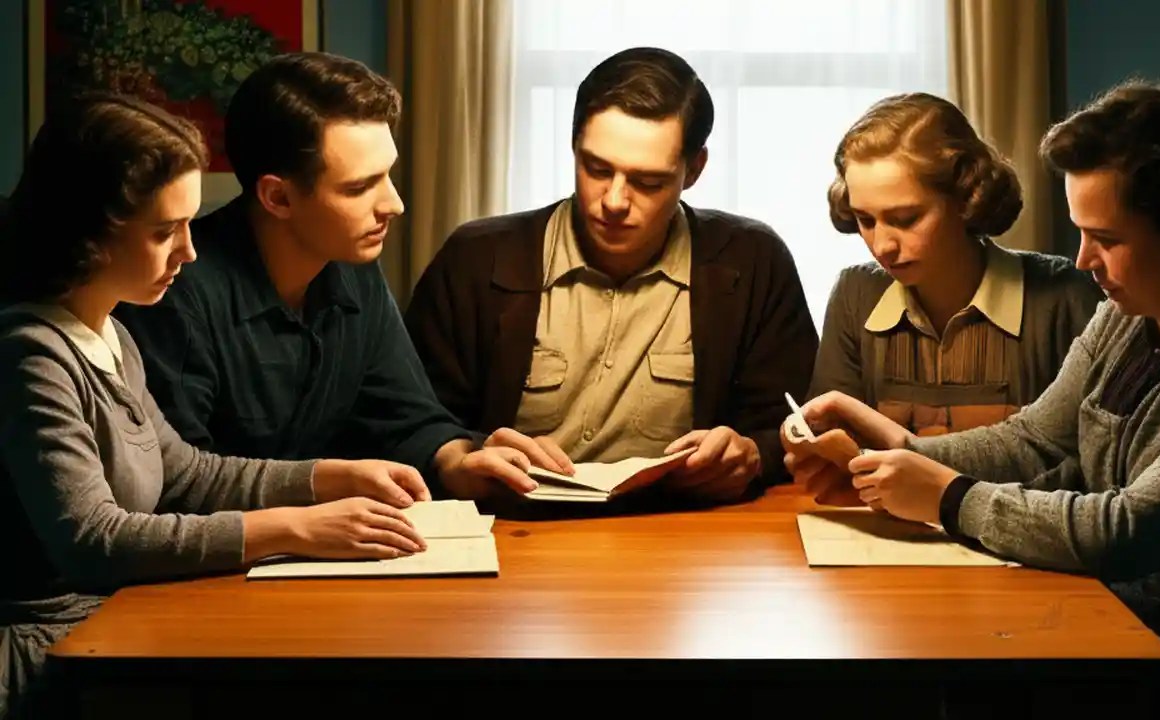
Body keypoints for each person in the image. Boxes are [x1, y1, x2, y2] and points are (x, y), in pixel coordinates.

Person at [794, 80, 1160, 718]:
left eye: (1106, 238)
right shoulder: (1128, 316)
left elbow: (1126, 532)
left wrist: (944, 496)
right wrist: (898, 452)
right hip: (1114, 644)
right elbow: (1033, 440)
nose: (1082, 261)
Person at [0, 94, 433, 719]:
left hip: (110, 628)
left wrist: (326, 478)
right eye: (163, 232)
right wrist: (293, 529)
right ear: (89, 236)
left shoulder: (110, 336)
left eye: (189, 224)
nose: (189, 251)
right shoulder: (30, 358)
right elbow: (92, 541)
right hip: (48, 660)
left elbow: (187, 473)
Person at [114, 52, 559, 504]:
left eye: (388, 176)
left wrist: (457, 459)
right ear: (278, 197)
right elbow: (178, 484)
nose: (394, 204)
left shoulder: (352, 263)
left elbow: (404, 417)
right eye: (359, 187)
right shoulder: (174, 292)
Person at [403, 47, 818, 507]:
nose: (615, 201)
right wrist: (465, 455)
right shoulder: (475, 258)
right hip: (512, 533)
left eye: (647, 182)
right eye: (597, 169)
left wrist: (753, 454)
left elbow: (796, 426)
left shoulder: (753, 261)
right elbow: (411, 422)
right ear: (573, 146)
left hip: (688, 538)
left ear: (694, 170)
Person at [810, 92, 1100, 436]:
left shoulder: (1060, 297)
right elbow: (830, 440)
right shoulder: (855, 295)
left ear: (968, 197)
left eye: (905, 218)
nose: (882, 246)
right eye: (865, 220)